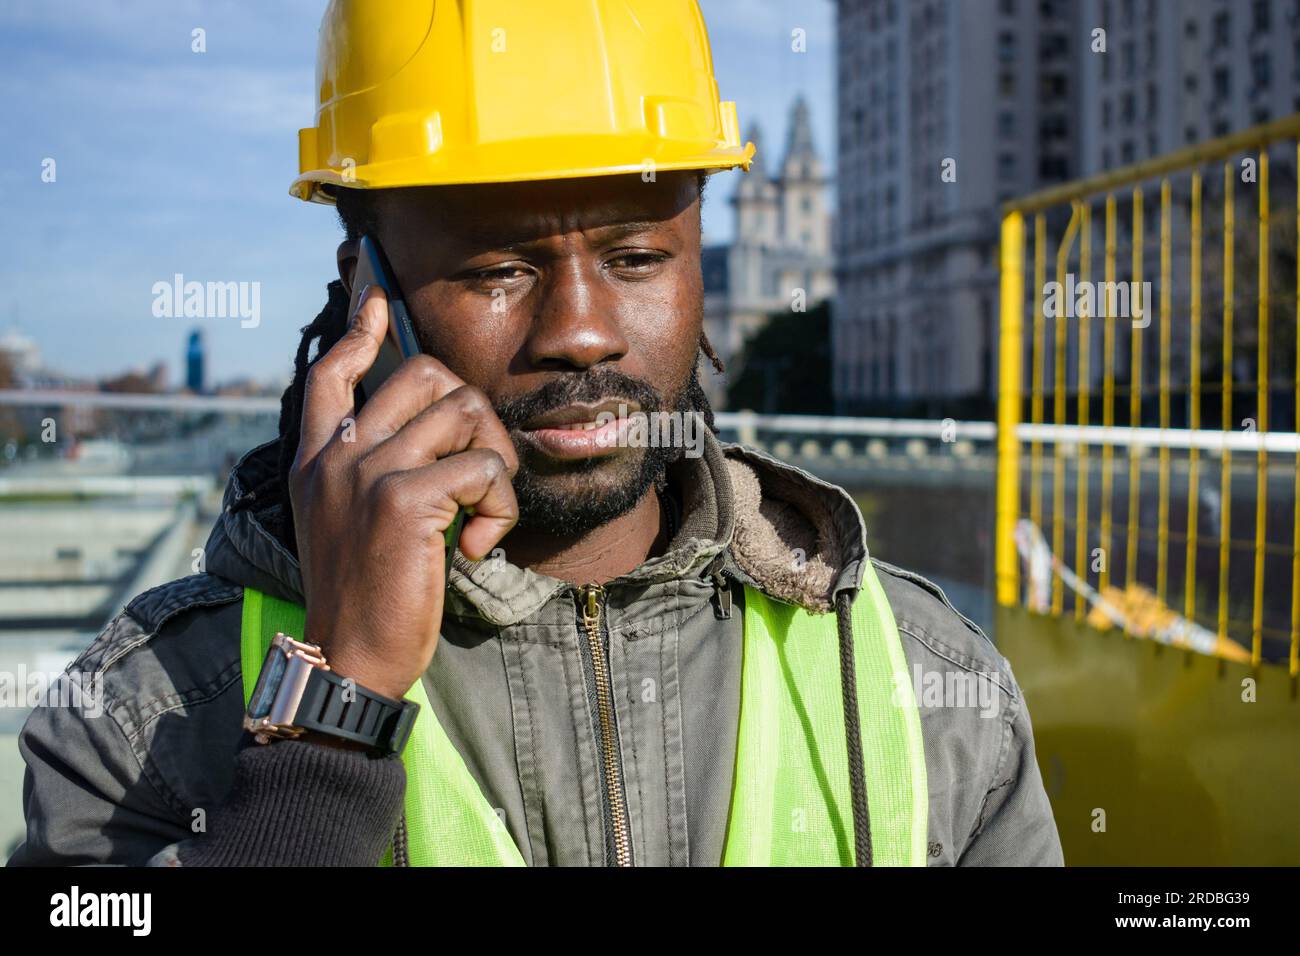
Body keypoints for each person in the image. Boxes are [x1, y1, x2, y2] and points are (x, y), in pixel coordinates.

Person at [9, 0, 1062, 867]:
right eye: (497, 268)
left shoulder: (927, 682)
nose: (582, 332)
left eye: (640, 258)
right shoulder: (141, 716)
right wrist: (332, 712)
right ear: (364, 293)